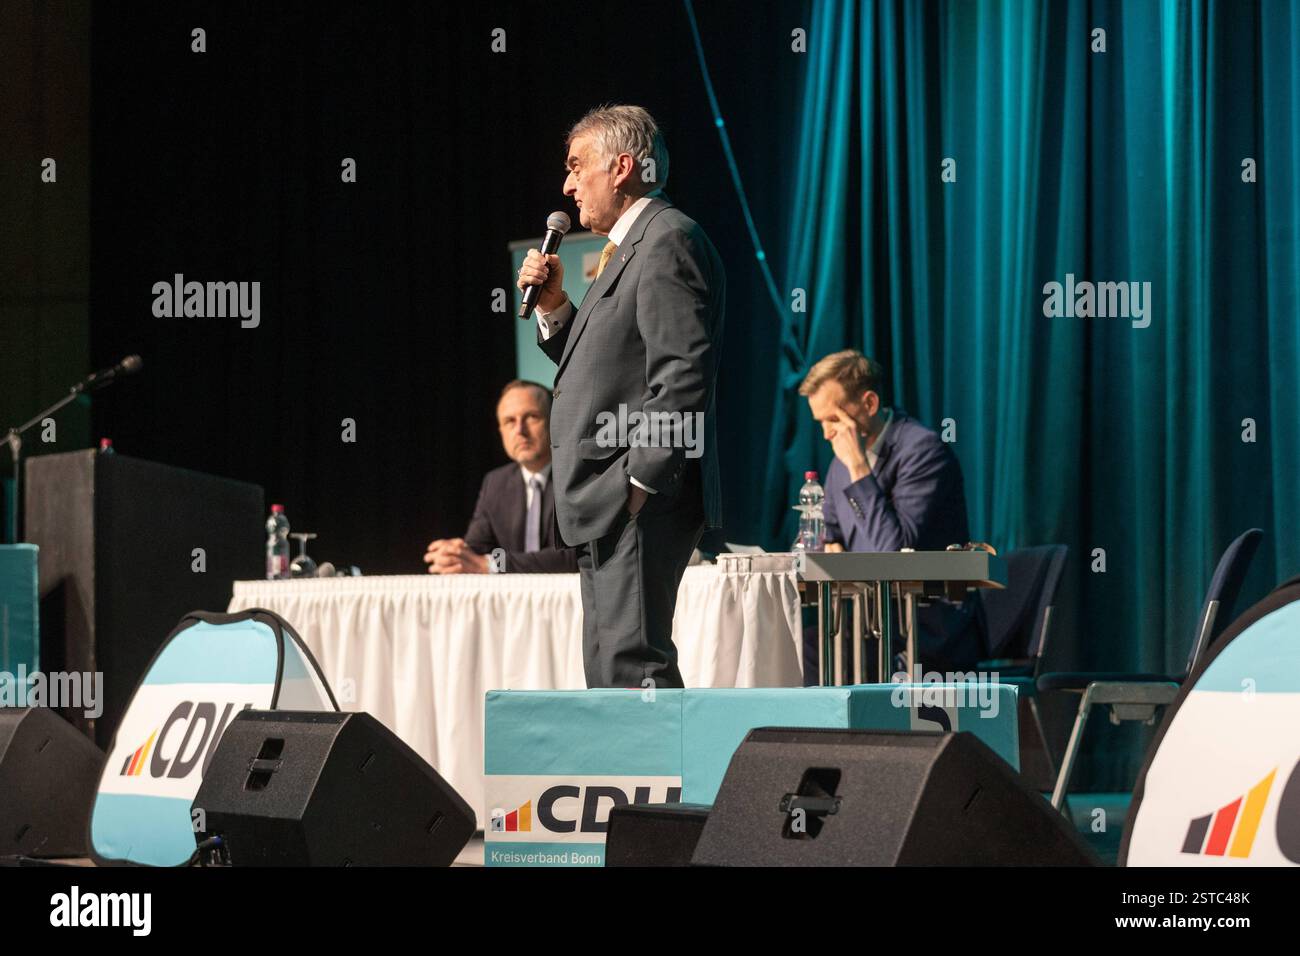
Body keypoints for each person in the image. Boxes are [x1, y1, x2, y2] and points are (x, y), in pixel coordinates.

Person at [516, 104, 725, 688]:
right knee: (612, 669)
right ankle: (635, 782)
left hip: (634, 499)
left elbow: (683, 372)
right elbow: (610, 367)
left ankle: (667, 784)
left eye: (577, 165)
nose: (567, 183)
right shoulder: (627, 251)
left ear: (622, 167)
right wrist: (557, 307)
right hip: (607, 501)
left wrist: (640, 484)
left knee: (633, 670)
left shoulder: (666, 240)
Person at [800, 349, 985, 674]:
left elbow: (895, 552)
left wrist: (859, 468)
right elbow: (828, 530)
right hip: (870, 619)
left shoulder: (923, 451)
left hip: (924, 625)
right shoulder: (838, 463)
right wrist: (830, 544)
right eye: (821, 423)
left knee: (818, 651)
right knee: (800, 644)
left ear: (869, 403)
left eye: (834, 419)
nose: (827, 434)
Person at [424, 380, 577, 575]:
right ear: (501, 431)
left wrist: (493, 564)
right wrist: (456, 554)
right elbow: (477, 549)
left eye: (531, 417)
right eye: (509, 421)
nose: (520, 431)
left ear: (554, 421)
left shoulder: (579, 476)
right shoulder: (496, 483)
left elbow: (577, 555)